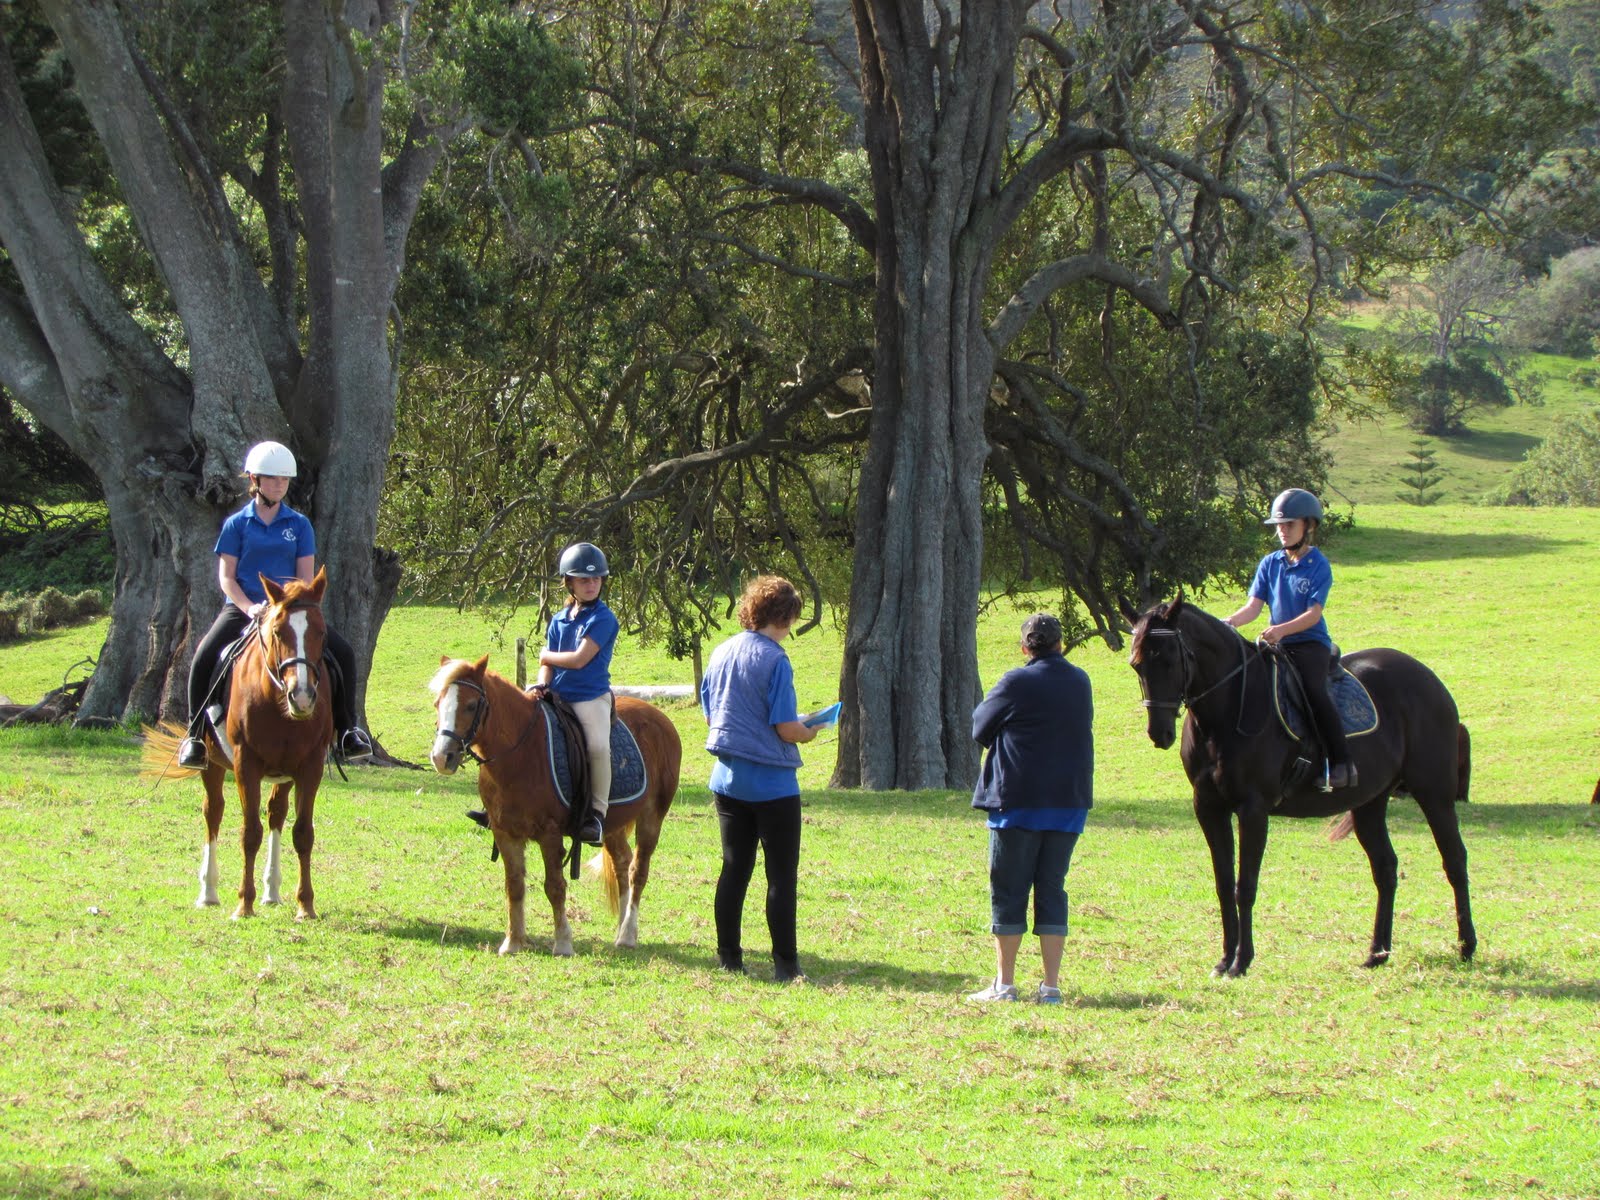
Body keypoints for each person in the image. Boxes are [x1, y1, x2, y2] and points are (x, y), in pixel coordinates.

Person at [177, 441, 373, 768]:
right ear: (254, 480)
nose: (280, 485)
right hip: (243, 608)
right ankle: (195, 736)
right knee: (205, 655)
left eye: (284, 480)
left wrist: (290, 607)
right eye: (272, 479)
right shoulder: (236, 525)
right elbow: (227, 578)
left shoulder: (299, 525)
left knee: (344, 654)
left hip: (290, 612)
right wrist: (250, 608)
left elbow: (305, 579)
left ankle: (348, 731)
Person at [968, 613, 1094, 1005]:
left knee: (1009, 889)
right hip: (1068, 802)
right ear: (1060, 644)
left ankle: (1005, 984)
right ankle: (1051, 986)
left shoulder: (1015, 680)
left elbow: (980, 729)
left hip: (1018, 801)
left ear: (1025, 648)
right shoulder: (1081, 680)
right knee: (1052, 889)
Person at [699, 575, 819, 983]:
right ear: (785, 616)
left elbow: (712, 712)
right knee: (781, 876)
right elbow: (786, 728)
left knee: (734, 869)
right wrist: (810, 729)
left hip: (728, 780)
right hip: (773, 785)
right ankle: (786, 964)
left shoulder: (721, 651)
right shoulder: (775, 659)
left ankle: (729, 957)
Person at [1223, 487, 1357, 790]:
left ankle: (1341, 763)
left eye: (1289, 525)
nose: (1282, 531)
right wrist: (1228, 623)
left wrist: (1281, 630)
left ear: (1308, 526)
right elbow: (1253, 608)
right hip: (1277, 645)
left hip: (1310, 645)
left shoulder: (1319, 565)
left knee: (1314, 690)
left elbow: (1313, 614)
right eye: (1279, 526)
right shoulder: (1269, 563)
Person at [538, 542, 620, 846]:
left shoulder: (604, 619)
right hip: (556, 694)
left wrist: (545, 657)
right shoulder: (558, 620)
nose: (591, 584)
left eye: (596, 579)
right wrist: (540, 683)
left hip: (589, 697)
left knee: (598, 747)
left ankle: (597, 815)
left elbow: (579, 659)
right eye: (584, 580)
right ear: (569, 582)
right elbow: (547, 664)